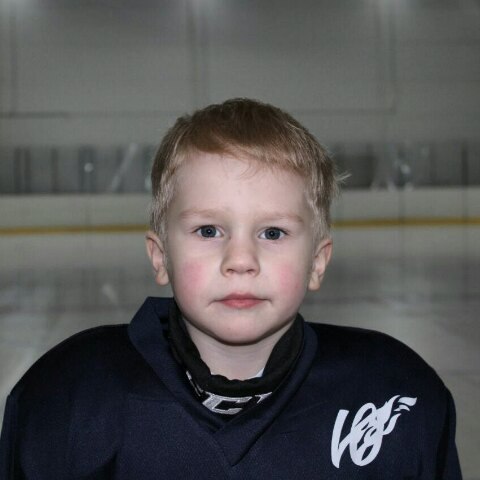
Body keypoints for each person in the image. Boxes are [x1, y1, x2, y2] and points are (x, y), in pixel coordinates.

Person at [0, 99, 461, 479]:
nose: (240, 260)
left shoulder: (394, 398)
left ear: (317, 262)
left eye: (273, 233)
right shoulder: (66, 398)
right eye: (208, 231)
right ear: (160, 256)